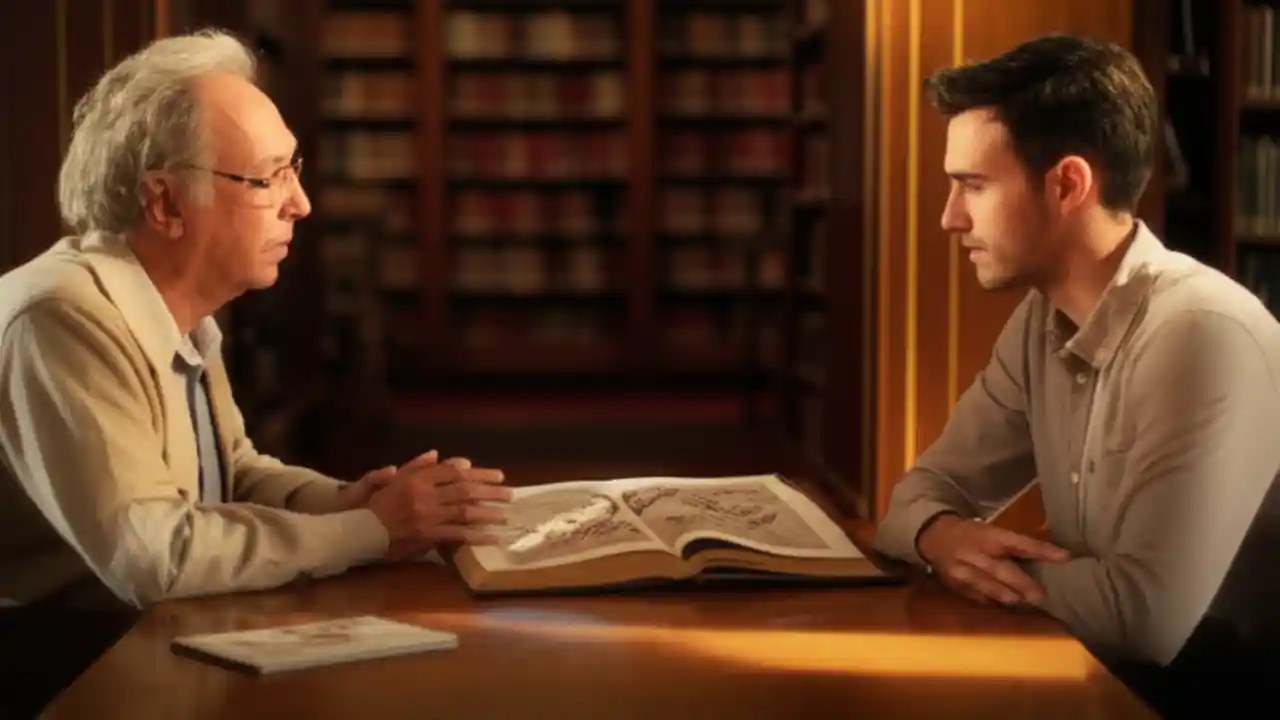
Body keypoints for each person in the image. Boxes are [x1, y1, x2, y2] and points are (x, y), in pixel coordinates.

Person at [0, 30, 511, 715]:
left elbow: (231, 471)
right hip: (51, 670)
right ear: (165, 203)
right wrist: (373, 531)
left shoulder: (175, 305)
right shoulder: (62, 317)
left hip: (132, 645)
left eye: (292, 170)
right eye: (269, 177)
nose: (300, 203)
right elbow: (153, 558)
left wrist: (349, 502)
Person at [872, 33, 1280, 711]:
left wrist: (962, 559)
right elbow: (918, 496)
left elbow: (1140, 617)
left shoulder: (1203, 335)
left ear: (1067, 184)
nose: (949, 218)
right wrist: (936, 535)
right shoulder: (1039, 321)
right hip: (1105, 681)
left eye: (972, 185)